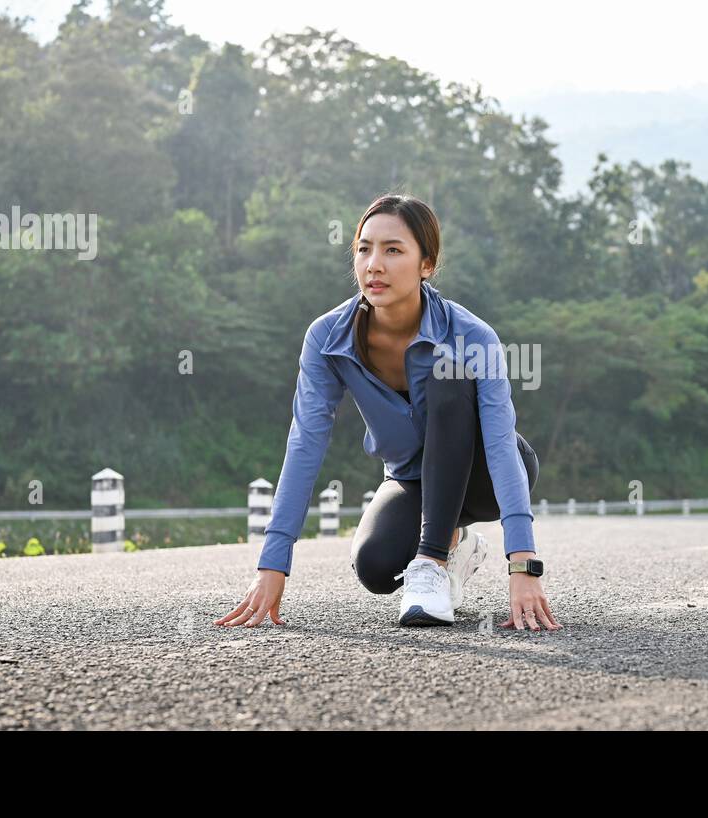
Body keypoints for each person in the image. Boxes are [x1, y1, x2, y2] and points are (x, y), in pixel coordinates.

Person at [215, 193, 562, 631]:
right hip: (409, 477)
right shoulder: (326, 338)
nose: (373, 264)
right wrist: (273, 563)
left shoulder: (472, 335)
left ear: (427, 264)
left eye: (393, 250)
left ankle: (433, 561)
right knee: (376, 567)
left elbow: (497, 439)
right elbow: (306, 442)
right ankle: (456, 543)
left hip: (484, 473)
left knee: (447, 376)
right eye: (364, 249)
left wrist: (523, 565)